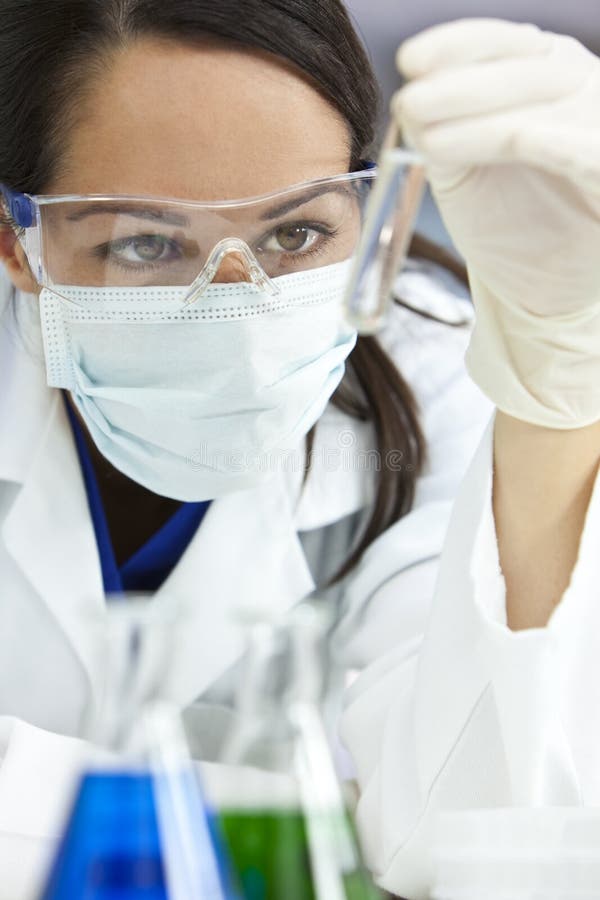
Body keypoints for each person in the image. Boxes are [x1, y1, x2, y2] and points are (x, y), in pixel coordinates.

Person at [0, 1, 597, 898]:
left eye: (296, 233)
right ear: (18, 244)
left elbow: (488, 838)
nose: (238, 312)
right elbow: (373, 851)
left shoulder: (442, 378)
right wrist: (327, 808)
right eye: (148, 243)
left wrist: (561, 386)